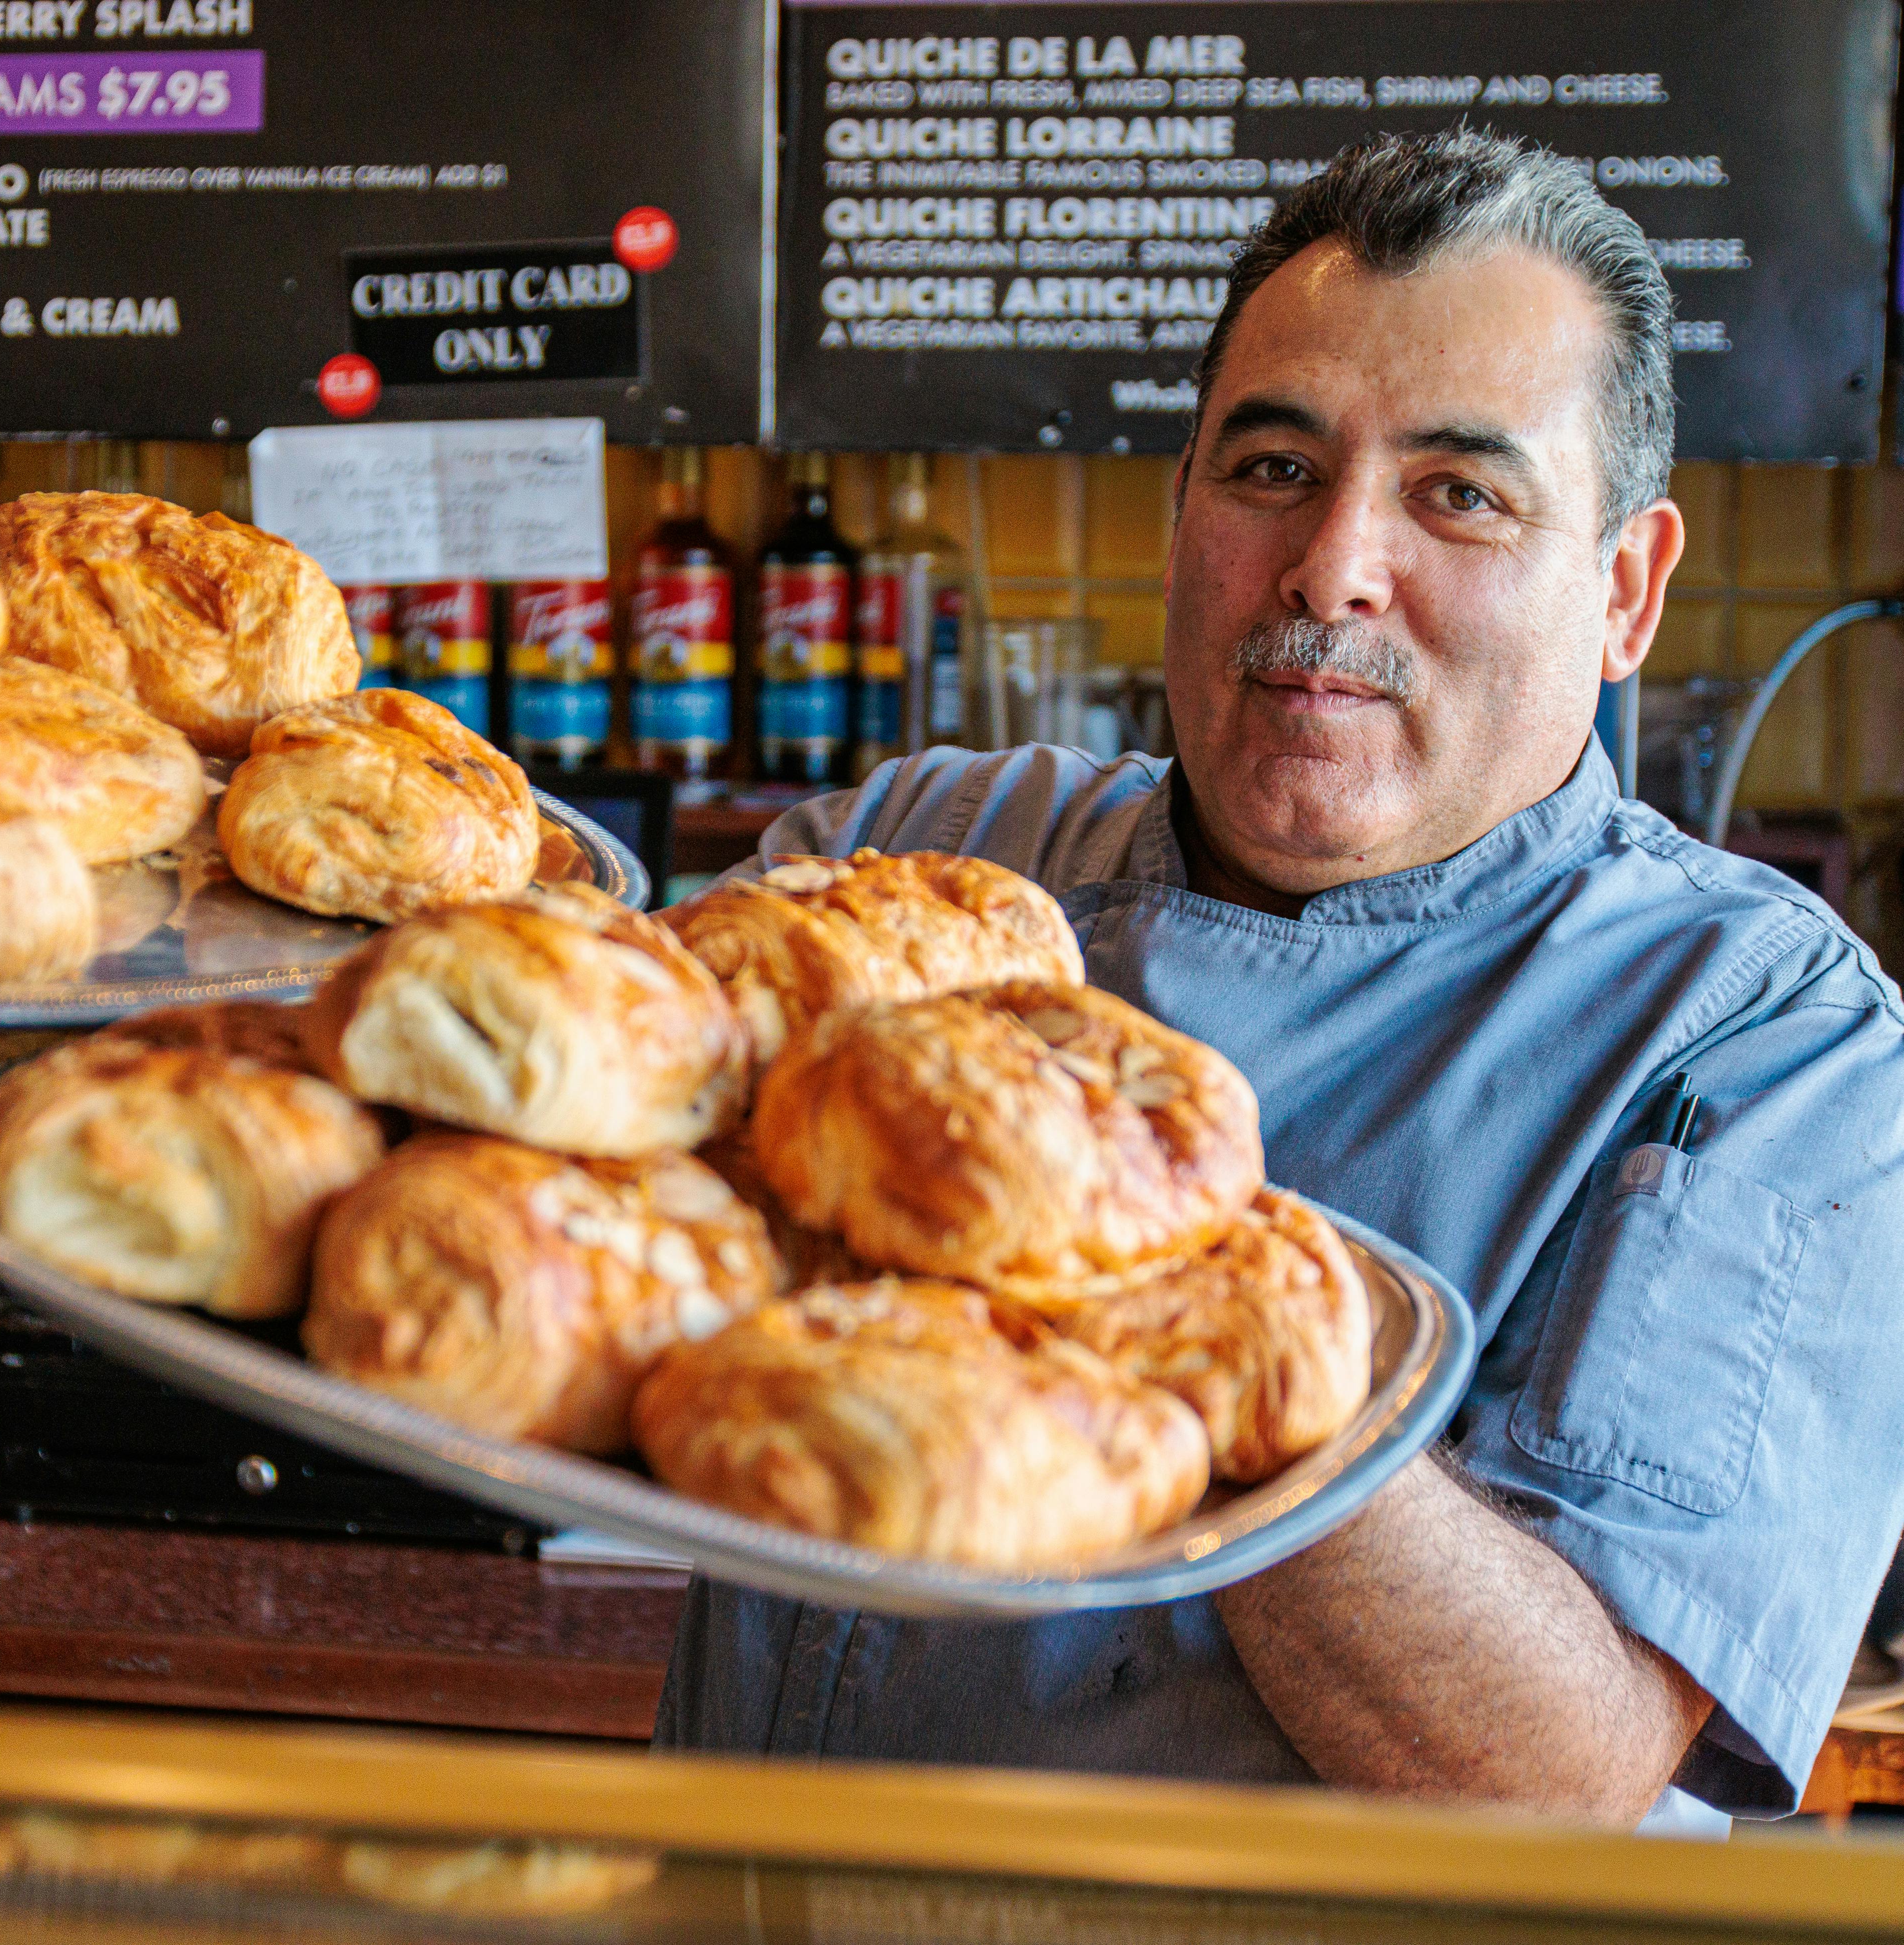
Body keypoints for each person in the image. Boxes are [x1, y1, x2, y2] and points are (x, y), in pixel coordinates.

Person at [656, 129, 1904, 1837]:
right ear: (1181, 519)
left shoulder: (1770, 1036)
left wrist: (1123, 1241)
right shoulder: (918, 855)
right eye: (1269, 467)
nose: (1332, 566)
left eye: (1460, 493)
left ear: (1624, 592)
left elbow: (1559, 1767)